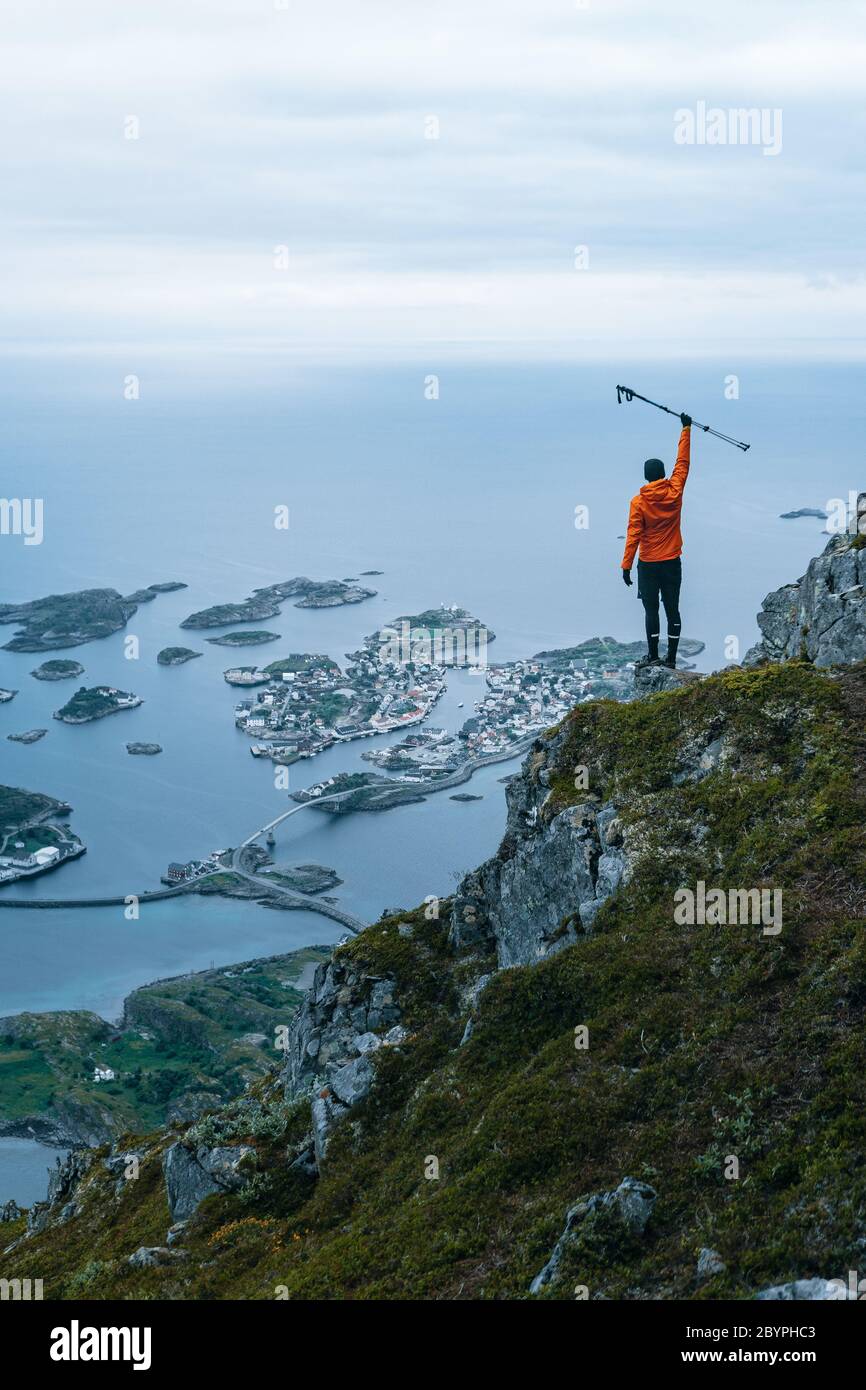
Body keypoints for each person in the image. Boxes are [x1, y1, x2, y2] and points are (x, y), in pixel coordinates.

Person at [621, 413, 692, 669]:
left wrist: (626, 566)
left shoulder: (638, 503)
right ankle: (671, 659)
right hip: (672, 562)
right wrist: (686, 429)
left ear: (645, 476)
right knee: (672, 609)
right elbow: (682, 463)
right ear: (663, 474)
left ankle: (653, 655)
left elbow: (633, 535)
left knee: (651, 611)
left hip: (648, 564)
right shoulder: (674, 491)